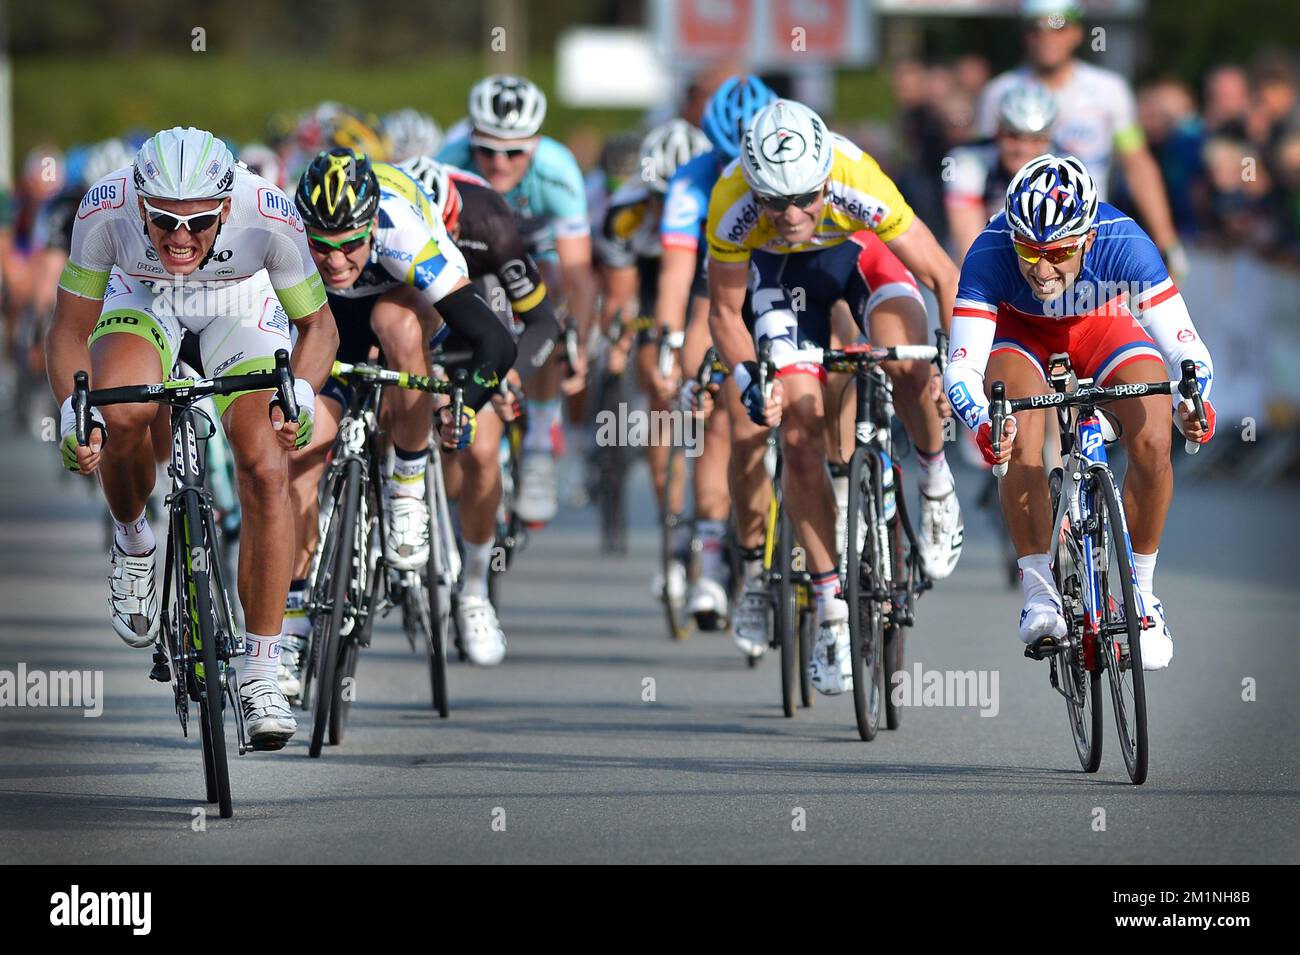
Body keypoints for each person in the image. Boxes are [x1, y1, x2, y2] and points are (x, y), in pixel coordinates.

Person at [48, 127, 340, 747]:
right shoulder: (105, 207)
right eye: (163, 222)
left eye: (200, 223)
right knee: (119, 414)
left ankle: (261, 667)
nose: (181, 239)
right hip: (142, 300)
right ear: (140, 202)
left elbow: (319, 328)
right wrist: (77, 409)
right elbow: (70, 329)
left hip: (239, 309)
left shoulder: (266, 213)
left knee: (266, 468)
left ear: (226, 206)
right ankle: (133, 543)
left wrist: (303, 397)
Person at [706, 99, 963, 692]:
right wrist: (749, 379)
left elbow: (941, 276)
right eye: (775, 201)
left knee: (907, 363)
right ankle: (832, 614)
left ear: (826, 179)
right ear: (753, 188)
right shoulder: (731, 202)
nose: (792, 213)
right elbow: (724, 312)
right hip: (780, 281)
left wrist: (955, 366)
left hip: (861, 257)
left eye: (804, 198)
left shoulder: (856, 177)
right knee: (797, 436)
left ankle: (935, 482)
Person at [944, 154, 1216, 669]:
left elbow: (1187, 350)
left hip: (1101, 326)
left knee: (1155, 436)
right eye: (1029, 249)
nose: (1042, 269)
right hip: (1019, 335)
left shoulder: (1124, 240)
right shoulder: (989, 249)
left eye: (1060, 251)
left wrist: (1191, 400)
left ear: (1088, 239)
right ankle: (1040, 590)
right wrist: (984, 423)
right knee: (1016, 433)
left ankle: (1143, 596)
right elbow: (961, 369)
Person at [279, 149, 516, 689]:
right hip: (325, 321)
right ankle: (292, 627)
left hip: (402, 298)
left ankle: (407, 483)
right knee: (300, 456)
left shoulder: (400, 230)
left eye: (348, 245)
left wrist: (465, 405)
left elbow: (494, 341)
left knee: (396, 324)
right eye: (321, 245)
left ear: (372, 226)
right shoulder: (288, 237)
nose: (336, 261)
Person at [399, 154, 567, 664]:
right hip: (416, 329)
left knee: (479, 450)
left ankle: (473, 590)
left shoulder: (488, 222)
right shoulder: (384, 226)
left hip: (480, 331)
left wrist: (508, 379)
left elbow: (542, 323)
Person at [438, 75, 595, 527]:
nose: (500, 162)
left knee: (546, 306)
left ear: (537, 144)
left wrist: (576, 341)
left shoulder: (558, 171)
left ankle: (542, 439)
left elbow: (579, 273)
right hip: (478, 250)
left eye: (514, 152)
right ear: (471, 142)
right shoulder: (450, 162)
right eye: (487, 150)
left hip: (537, 252)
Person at [661, 74, 779, 653]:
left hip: (791, 285)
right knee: (716, 406)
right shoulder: (695, 179)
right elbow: (680, 274)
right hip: (724, 290)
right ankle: (711, 554)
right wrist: (672, 345)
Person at [975, 0, 1186, 277]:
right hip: (1019, 248)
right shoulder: (998, 93)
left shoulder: (1110, 91)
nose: (1047, 37)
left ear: (1076, 32)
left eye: (1058, 25)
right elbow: (978, 172)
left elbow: (1138, 165)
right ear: (1025, 35)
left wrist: (1166, 239)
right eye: (1036, 28)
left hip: (1087, 242)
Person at [946, 80, 1058, 259]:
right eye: (1013, 135)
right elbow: (971, 252)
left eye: (1035, 139)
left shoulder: (1065, 169)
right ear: (998, 131)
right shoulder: (966, 161)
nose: (1023, 149)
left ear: (1049, 139)